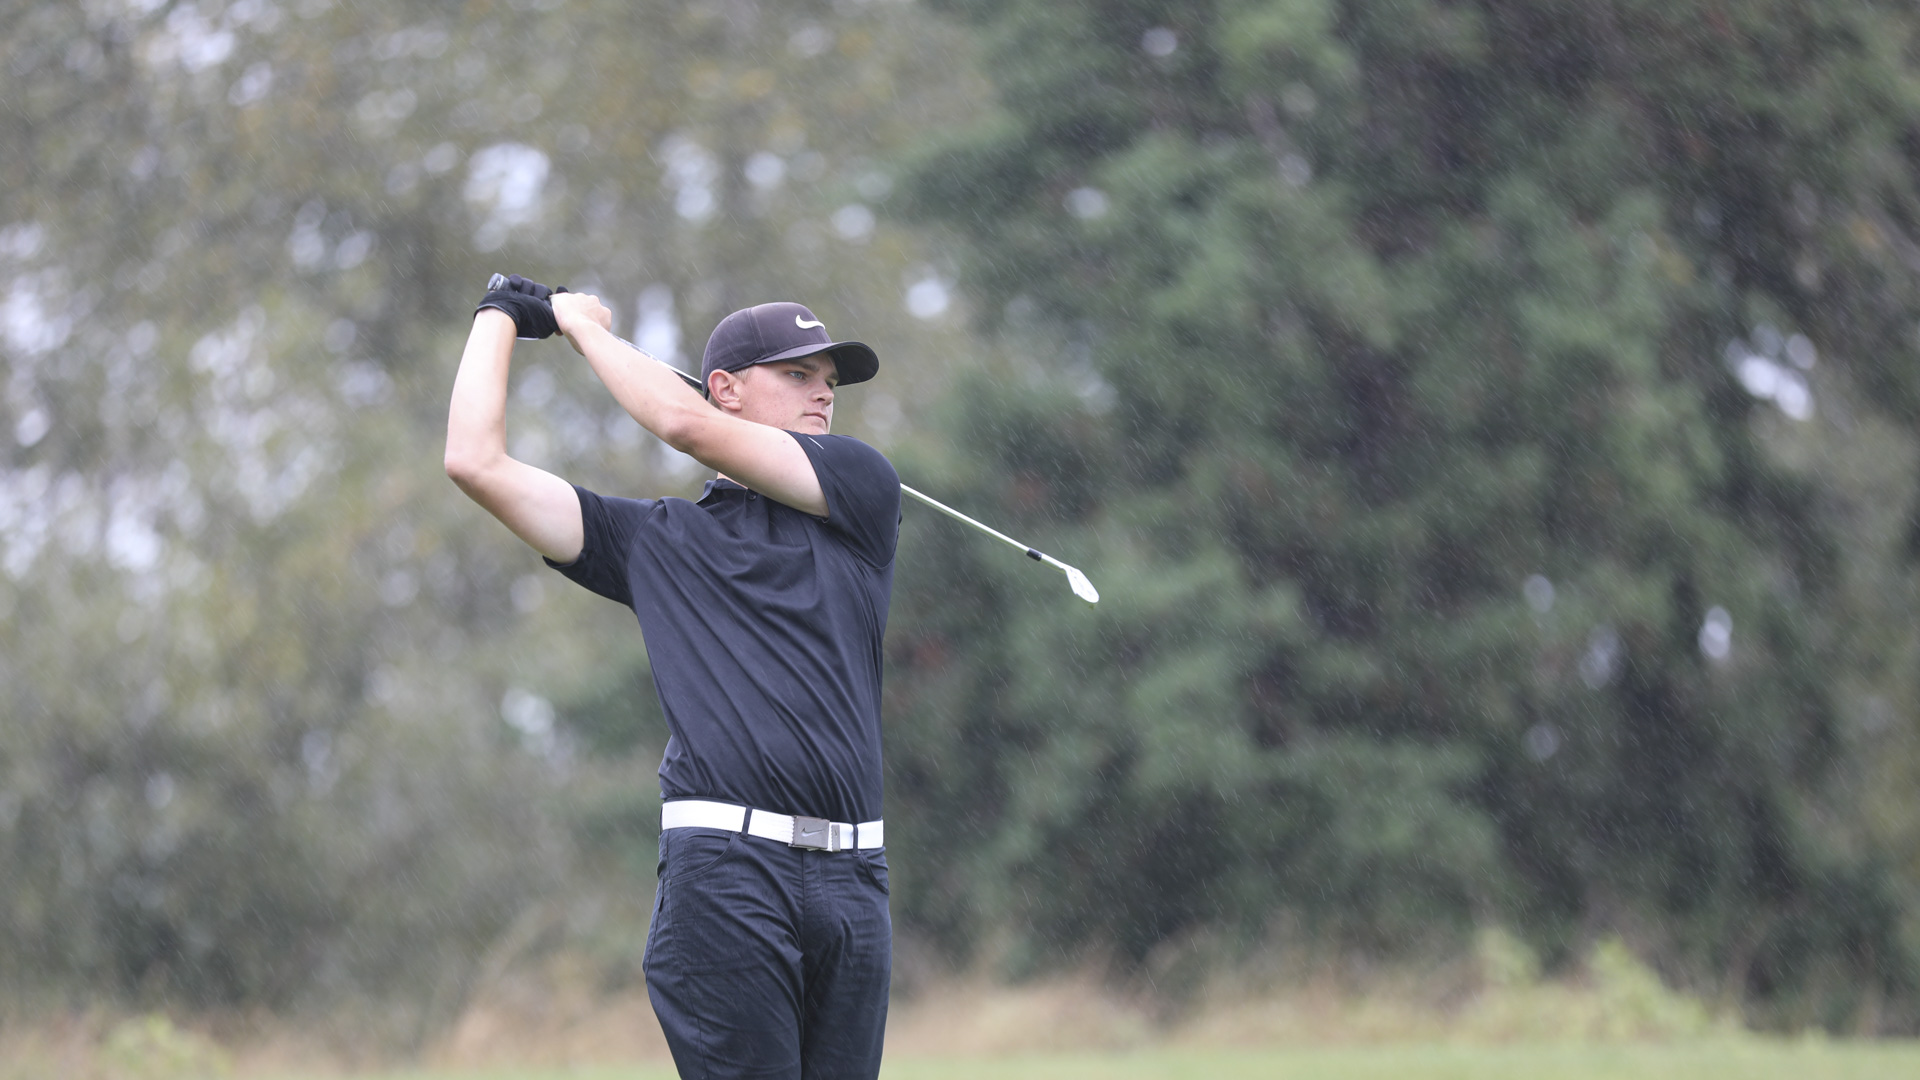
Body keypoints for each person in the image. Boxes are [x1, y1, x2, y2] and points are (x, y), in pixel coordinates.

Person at [444, 275, 898, 1079]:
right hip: (726, 876)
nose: (823, 397)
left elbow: (680, 422)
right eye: (797, 376)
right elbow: (474, 462)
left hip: (854, 883)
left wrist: (582, 327)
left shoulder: (861, 489)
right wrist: (503, 317)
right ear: (726, 387)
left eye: (829, 384)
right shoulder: (654, 540)